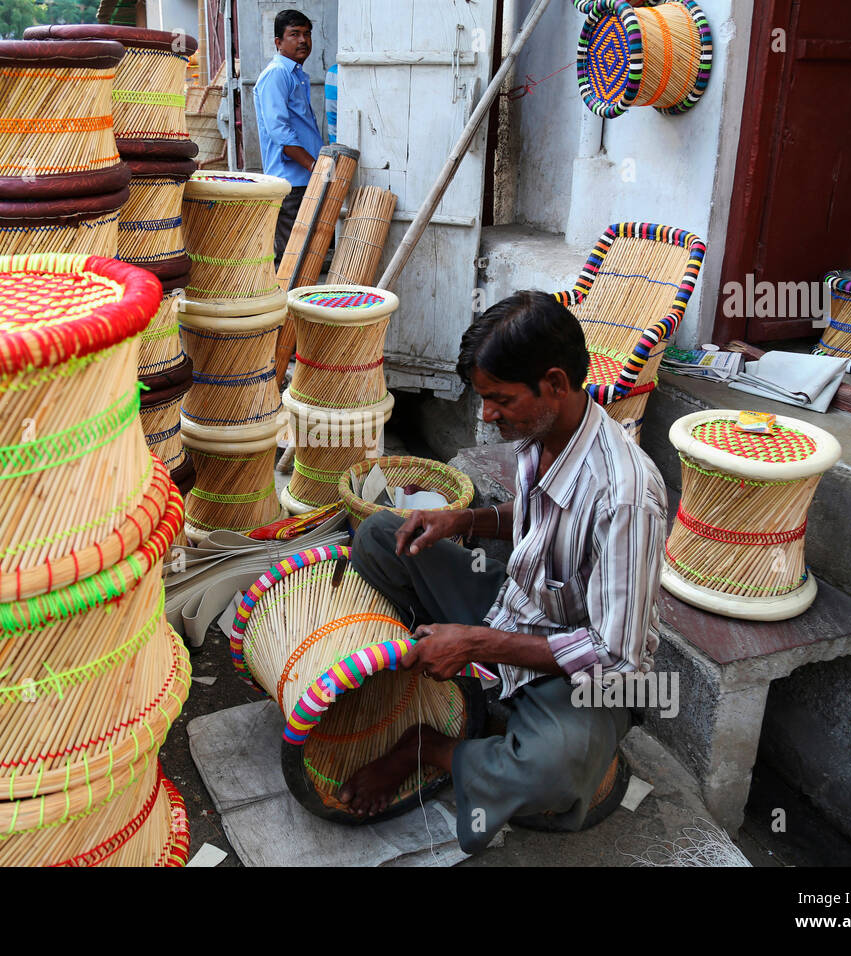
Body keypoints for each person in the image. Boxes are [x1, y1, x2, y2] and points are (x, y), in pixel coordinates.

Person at [341, 291, 668, 854]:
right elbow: (537, 519)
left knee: (553, 773)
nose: (487, 414)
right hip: (514, 606)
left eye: (499, 399)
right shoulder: (541, 433)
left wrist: (472, 642)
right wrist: (463, 521)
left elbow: (619, 656)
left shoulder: (628, 496)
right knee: (379, 536)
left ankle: (433, 748)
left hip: (585, 673)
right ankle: (479, 696)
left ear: (556, 384)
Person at [253, 9, 324, 261]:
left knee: (307, 254)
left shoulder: (297, 75)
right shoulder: (277, 74)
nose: (303, 40)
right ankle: (284, 300)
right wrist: (315, 166)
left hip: (304, 179)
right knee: (290, 257)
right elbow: (281, 134)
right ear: (278, 42)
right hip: (290, 182)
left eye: (307, 34)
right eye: (294, 34)